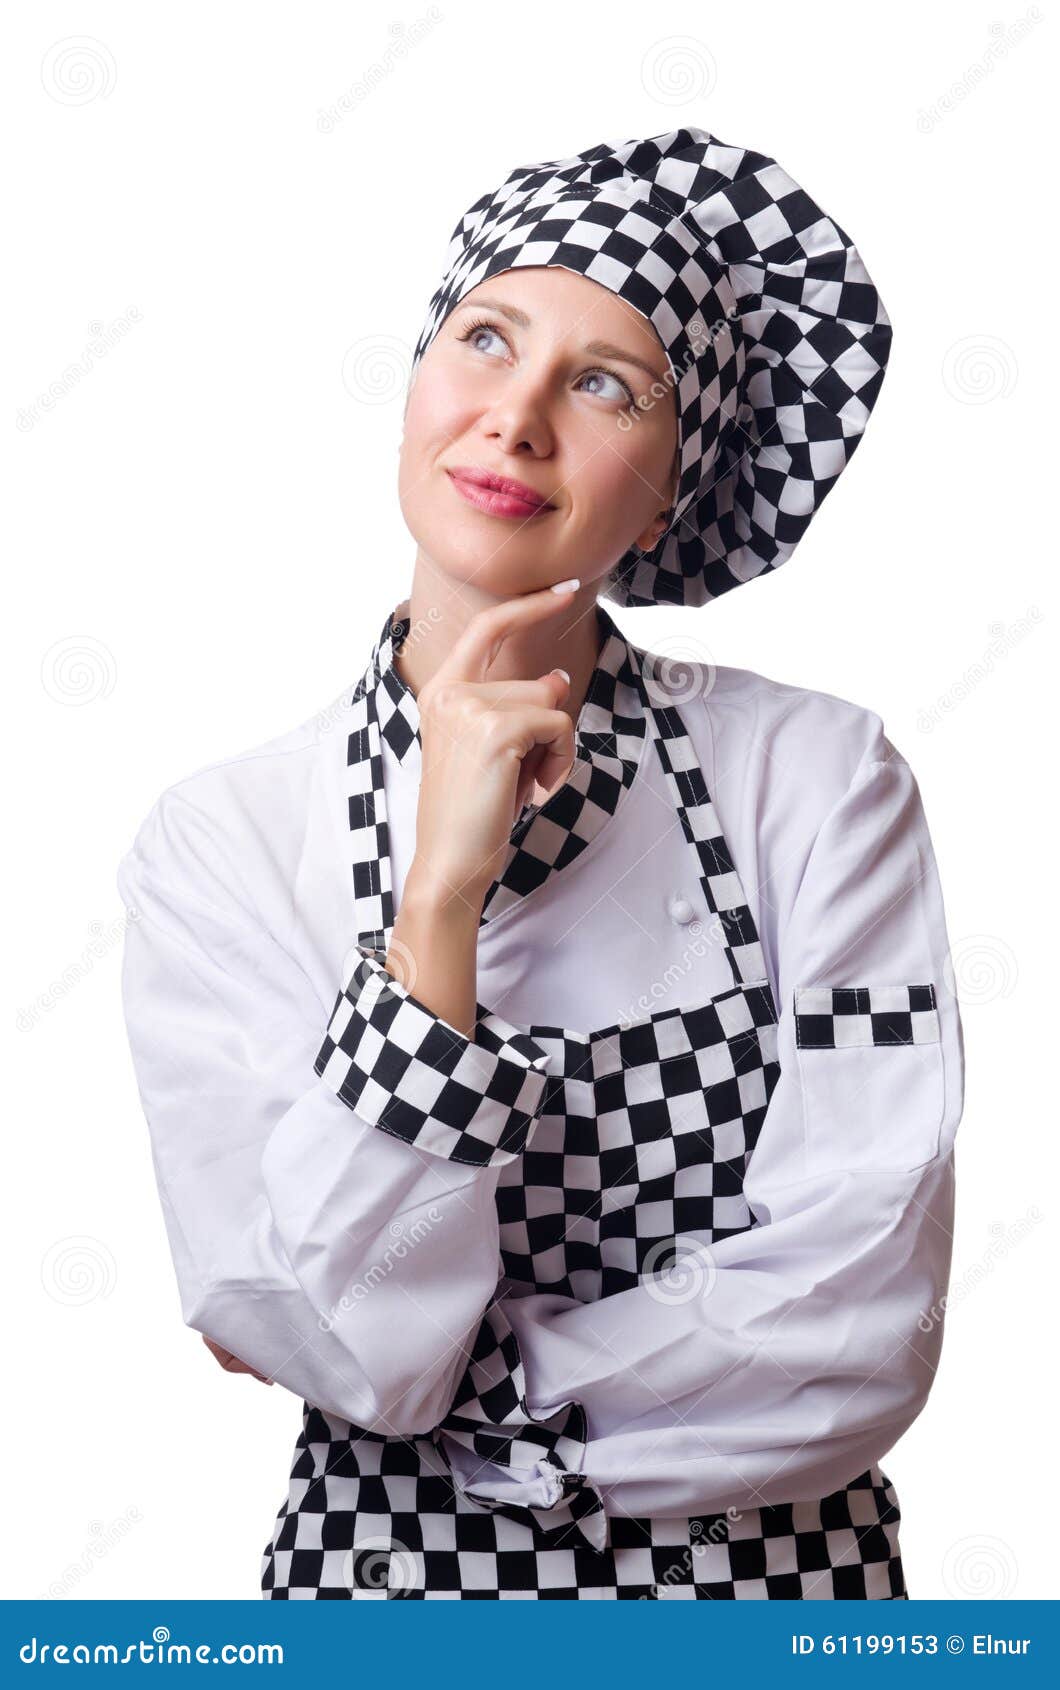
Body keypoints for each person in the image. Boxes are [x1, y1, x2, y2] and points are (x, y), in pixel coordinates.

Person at [116, 126, 964, 1600]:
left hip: (773, 1602)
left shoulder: (822, 784)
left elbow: (863, 1304)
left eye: (604, 383)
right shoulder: (222, 839)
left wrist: (455, 1396)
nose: (514, 419)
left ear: (675, 491)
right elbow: (330, 1336)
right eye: (486, 339)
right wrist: (439, 899)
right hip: (383, 1604)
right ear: (414, 384)